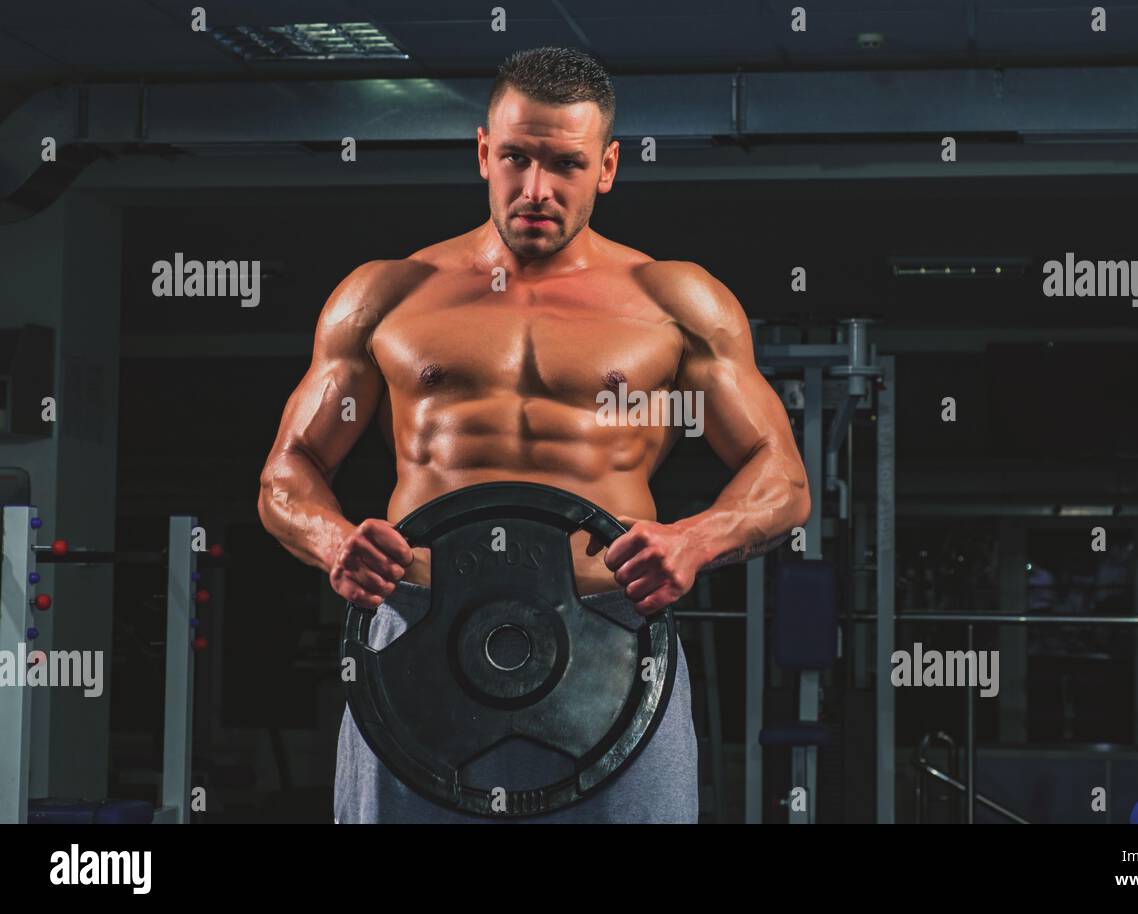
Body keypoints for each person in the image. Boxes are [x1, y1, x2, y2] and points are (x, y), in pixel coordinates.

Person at [257, 46, 810, 823]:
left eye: (566, 164)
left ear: (607, 167)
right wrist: (333, 541)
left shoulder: (674, 300)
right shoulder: (386, 294)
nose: (536, 189)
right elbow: (288, 472)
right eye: (517, 157)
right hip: (422, 632)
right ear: (484, 152)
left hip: (610, 638)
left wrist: (696, 540)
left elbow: (782, 478)